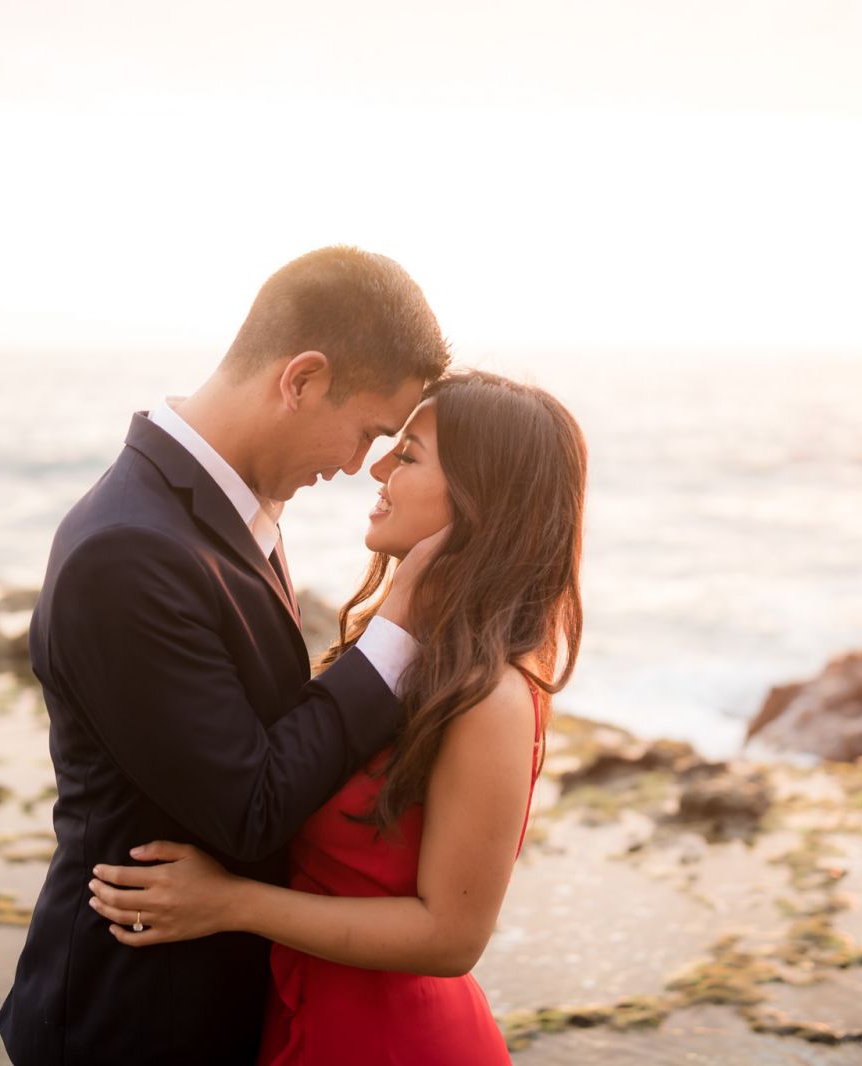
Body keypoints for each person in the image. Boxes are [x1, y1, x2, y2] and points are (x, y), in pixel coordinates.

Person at [0, 246, 451, 1065]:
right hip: (132, 1022)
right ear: (302, 380)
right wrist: (398, 631)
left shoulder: (233, 509)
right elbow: (250, 806)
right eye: (368, 432)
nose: (358, 465)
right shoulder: (128, 551)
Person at [89, 370, 587, 1064]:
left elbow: (451, 938)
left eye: (408, 455)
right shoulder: (394, 658)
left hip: (393, 1043)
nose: (377, 466)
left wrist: (228, 903)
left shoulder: (489, 698)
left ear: (480, 502)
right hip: (300, 1017)